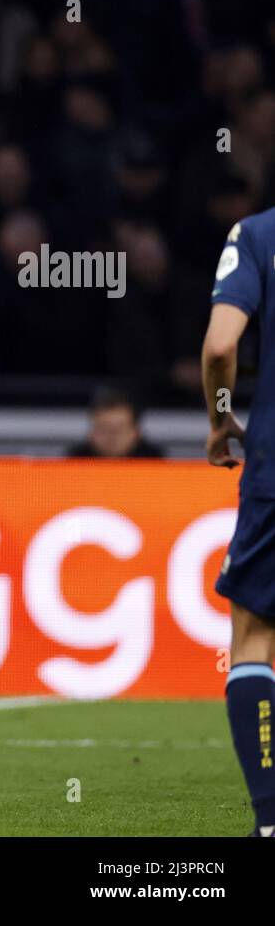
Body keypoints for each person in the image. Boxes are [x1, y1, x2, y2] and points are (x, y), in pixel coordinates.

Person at [203, 207, 275, 836]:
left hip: (274, 465)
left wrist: (220, 418)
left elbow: (222, 344)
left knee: (254, 634)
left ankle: (271, 821)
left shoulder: (258, 235)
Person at [65, 387, 165, 458]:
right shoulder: (76, 462)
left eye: (120, 428)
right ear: (91, 432)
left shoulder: (154, 462)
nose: (112, 436)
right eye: (104, 429)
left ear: (136, 431)